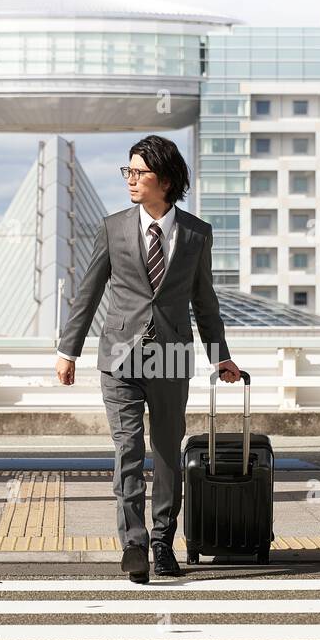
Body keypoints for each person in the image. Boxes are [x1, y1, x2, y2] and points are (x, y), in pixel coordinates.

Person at [55, 135, 241, 584]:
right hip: (119, 355)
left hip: (172, 355)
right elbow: (89, 292)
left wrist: (221, 358)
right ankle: (134, 544)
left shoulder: (197, 233)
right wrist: (68, 350)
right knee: (128, 450)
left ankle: (162, 541)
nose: (131, 179)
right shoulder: (113, 227)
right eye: (128, 171)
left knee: (166, 455)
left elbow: (205, 300)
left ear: (168, 179)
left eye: (140, 172)